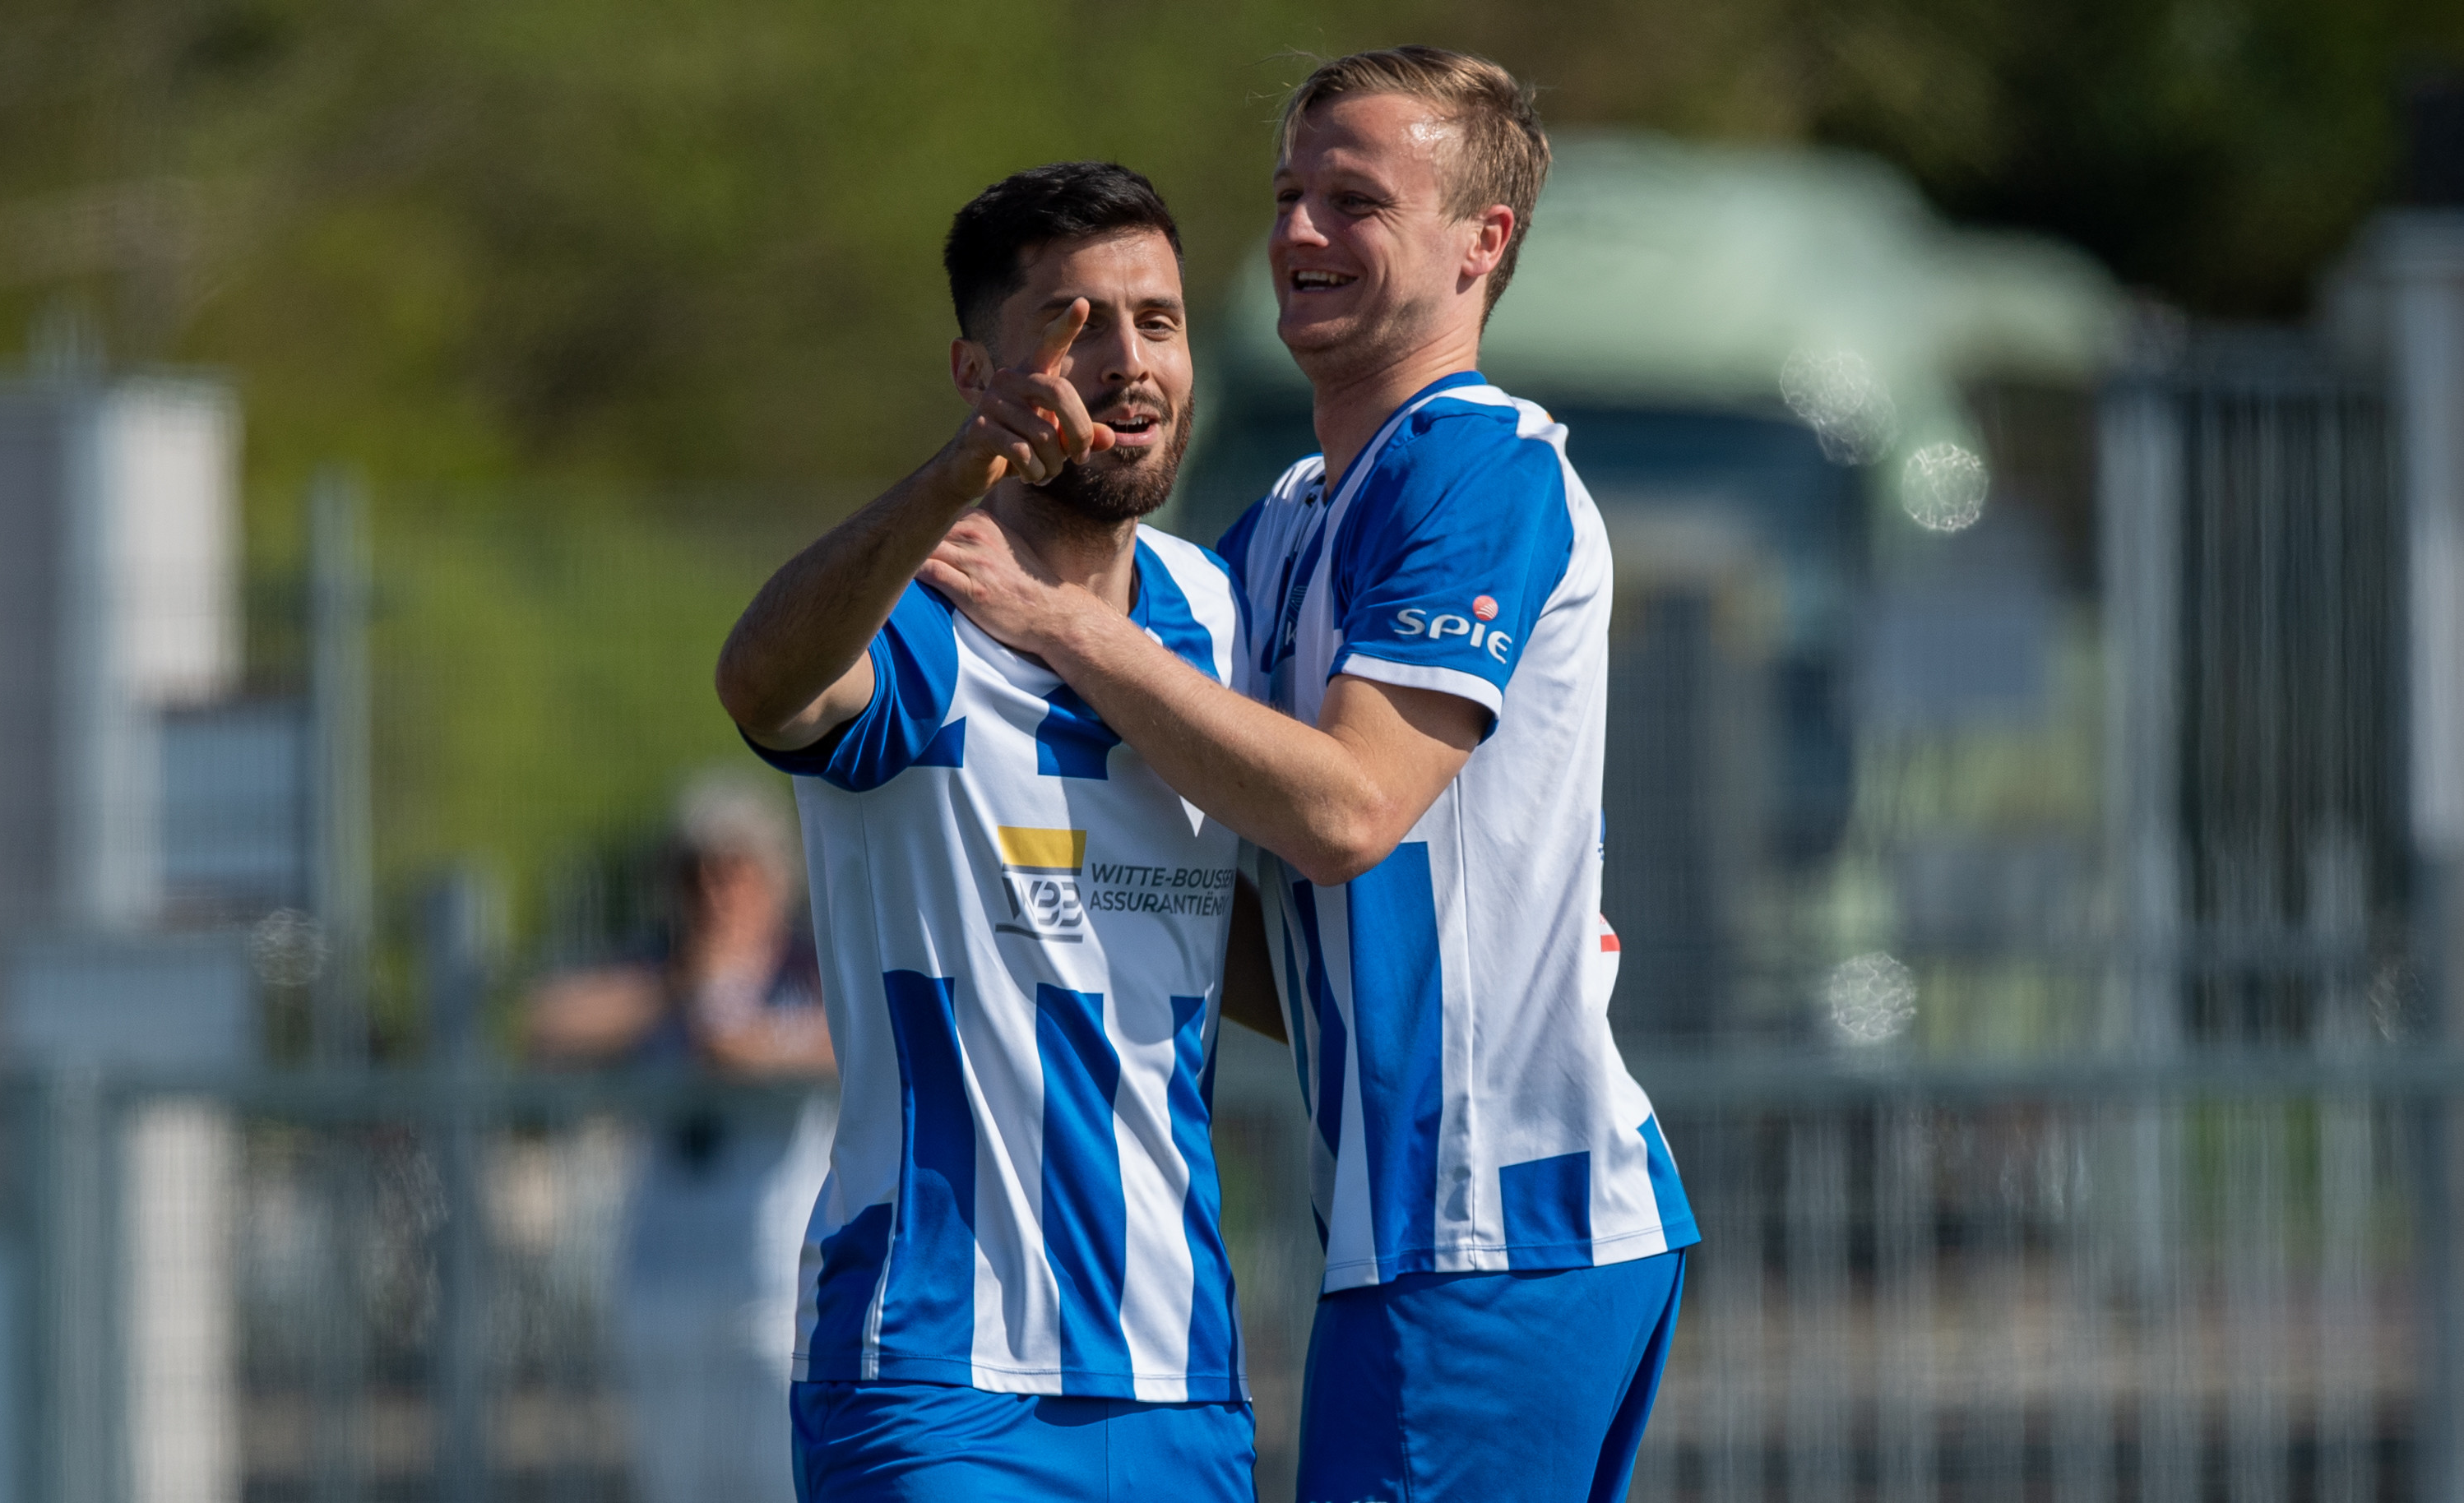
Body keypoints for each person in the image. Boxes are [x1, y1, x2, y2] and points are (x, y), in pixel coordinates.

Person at [919, 47, 1698, 1503]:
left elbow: (1344, 811)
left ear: (1485, 243)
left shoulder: (1477, 462)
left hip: (1495, 1230)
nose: (1297, 233)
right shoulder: (1285, 519)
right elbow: (1292, 936)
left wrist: (1063, 624)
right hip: (1414, 1236)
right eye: (1288, 193)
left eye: (1356, 198)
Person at [712, 162, 1256, 1502]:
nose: (1131, 363)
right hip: (940, 1380)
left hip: (1182, 1377)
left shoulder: (1225, 618)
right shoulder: (925, 606)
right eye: (1080, 325)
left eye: (1162, 320)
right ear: (980, 371)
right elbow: (762, 683)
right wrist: (957, 477)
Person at [526, 772, 836, 1503]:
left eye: (734, 872)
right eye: (695, 875)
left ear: (773, 879)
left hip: (773, 1286)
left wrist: (752, 1049)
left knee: (778, 1480)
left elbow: (853, 1044)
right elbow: (549, 1026)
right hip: (663, 1278)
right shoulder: (653, 973)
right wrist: (680, 990)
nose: (714, 895)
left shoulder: (809, 969)